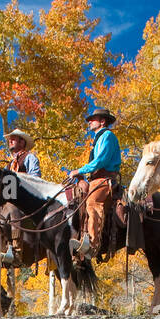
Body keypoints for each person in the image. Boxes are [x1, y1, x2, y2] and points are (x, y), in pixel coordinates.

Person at [71, 107, 121, 257]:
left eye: (93, 120)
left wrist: (80, 171)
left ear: (102, 121)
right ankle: (80, 237)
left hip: (104, 180)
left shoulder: (107, 136)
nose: (90, 122)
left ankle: (92, 244)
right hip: (95, 179)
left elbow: (101, 160)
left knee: (92, 202)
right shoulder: (98, 139)